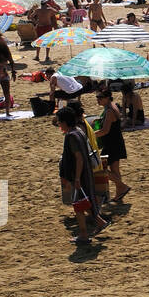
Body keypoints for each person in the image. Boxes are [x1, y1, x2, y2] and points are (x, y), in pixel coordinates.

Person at [56, 104, 108, 246]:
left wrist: (77, 178)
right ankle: (100, 222)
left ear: (65, 122)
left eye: (59, 122)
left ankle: (84, 234)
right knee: (84, 202)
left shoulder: (72, 136)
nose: (59, 124)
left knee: (79, 206)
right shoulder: (79, 131)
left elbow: (78, 158)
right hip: (86, 173)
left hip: (80, 175)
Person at [93, 87, 130, 202]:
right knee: (114, 170)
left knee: (100, 169)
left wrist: (90, 135)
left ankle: (122, 186)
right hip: (116, 142)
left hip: (112, 143)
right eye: (97, 97)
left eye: (100, 97)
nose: (98, 100)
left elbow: (105, 130)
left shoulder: (109, 111)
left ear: (107, 98)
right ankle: (120, 192)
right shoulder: (111, 106)